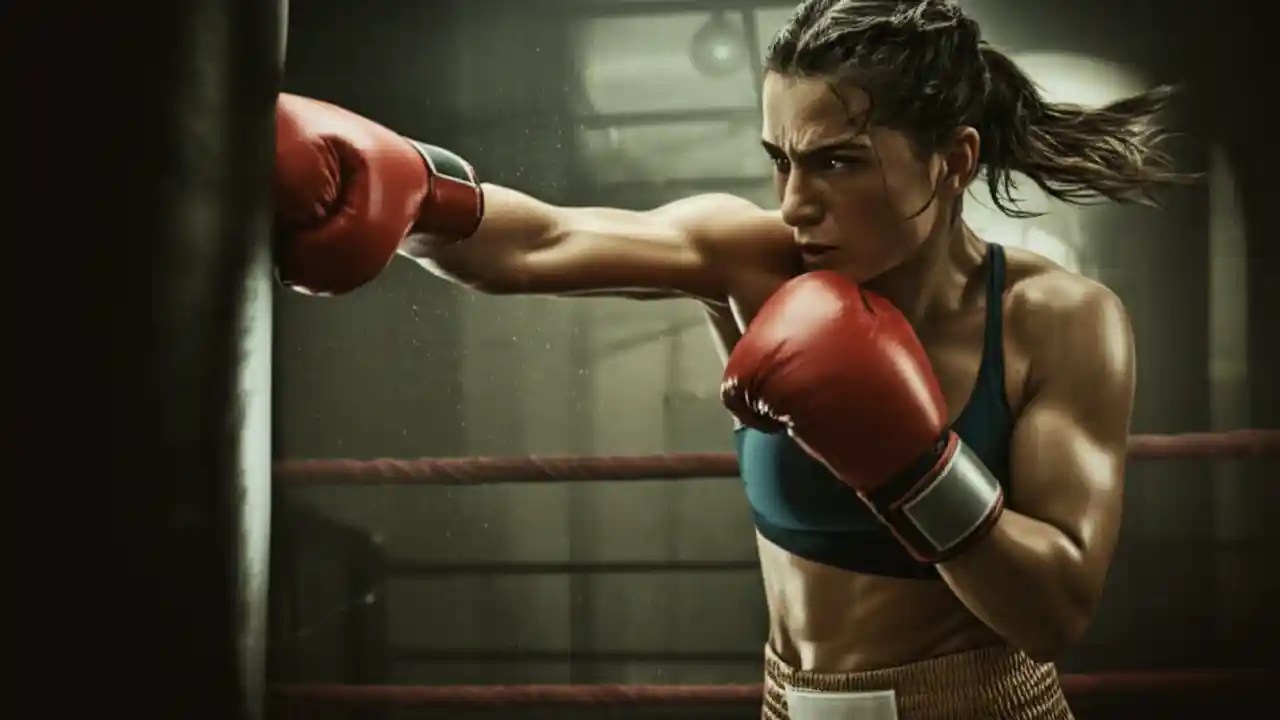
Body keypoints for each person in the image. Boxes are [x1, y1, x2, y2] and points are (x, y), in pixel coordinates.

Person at [274, 1, 1197, 717]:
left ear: (952, 160)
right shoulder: (754, 264)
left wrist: (916, 466)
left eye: (837, 164)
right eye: (780, 161)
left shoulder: (1057, 321)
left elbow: (1057, 611)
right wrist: (403, 185)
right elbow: (536, 244)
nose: (796, 202)